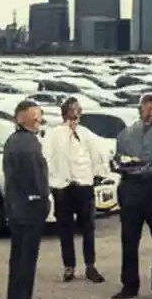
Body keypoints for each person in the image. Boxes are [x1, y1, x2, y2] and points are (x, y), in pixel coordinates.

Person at [110, 93, 152, 299]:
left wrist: (144, 168)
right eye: (147, 108)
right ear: (140, 109)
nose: (150, 112)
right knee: (129, 239)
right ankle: (129, 284)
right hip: (131, 191)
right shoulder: (127, 133)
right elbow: (118, 157)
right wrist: (122, 165)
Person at [41, 97, 107, 284]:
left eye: (78, 111)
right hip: (62, 186)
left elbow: (97, 154)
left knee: (88, 227)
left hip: (83, 185)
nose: (76, 115)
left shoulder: (85, 134)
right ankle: (69, 266)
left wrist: (97, 175)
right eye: (72, 111)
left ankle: (90, 266)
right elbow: (47, 157)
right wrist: (54, 180)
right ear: (65, 113)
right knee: (65, 228)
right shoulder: (54, 134)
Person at [3, 99, 53, 299]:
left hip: (17, 206)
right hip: (29, 208)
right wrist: (43, 201)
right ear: (22, 118)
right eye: (34, 117)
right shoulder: (28, 144)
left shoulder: (14, 140)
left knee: (18, 257)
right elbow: (35, 178)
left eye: (39, 116)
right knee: (26, 258)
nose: (38, 121)